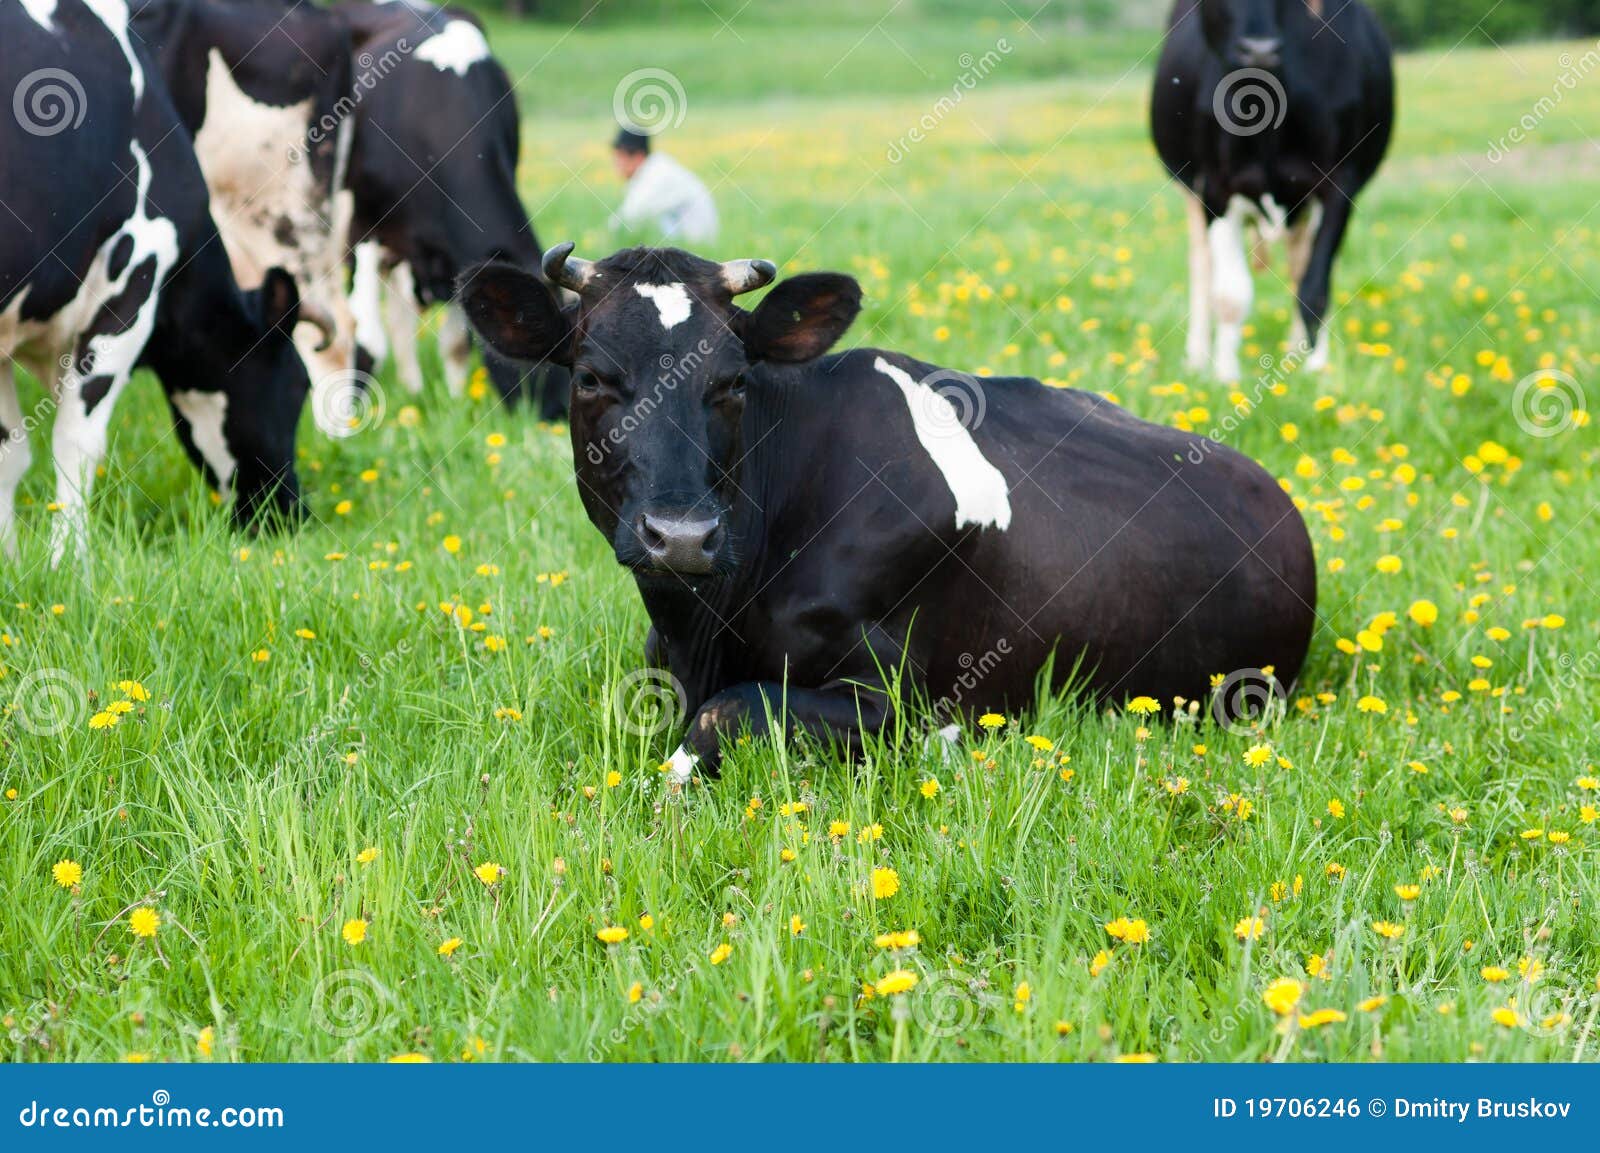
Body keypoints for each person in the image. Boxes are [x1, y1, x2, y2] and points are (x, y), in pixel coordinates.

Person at [609, 126, 719, 243]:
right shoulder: (656, 167)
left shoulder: (656, 176)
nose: (616, 164)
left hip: (696, 244)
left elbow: (627, 219)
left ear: (638, 156)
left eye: (619, 157)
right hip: (690, 239)